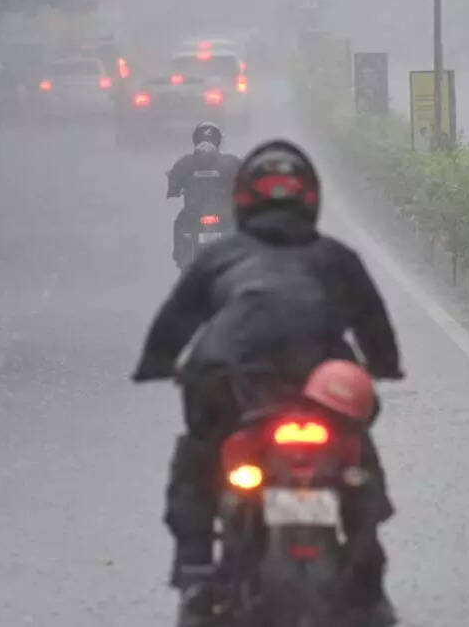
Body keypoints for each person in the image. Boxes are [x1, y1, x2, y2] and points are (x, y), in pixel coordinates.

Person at [133, 140, 404, 626]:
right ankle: (369, 582)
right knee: (357, 457)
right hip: (324, 388)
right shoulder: (338, 258)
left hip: (232, 386)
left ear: (242, 200)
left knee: (198, 460)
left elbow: (175, 322)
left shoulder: (220, 258)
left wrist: (156, 363)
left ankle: (196, 569)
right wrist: (384, 366)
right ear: (312, 199)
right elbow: (375, 328)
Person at [167, 122, 241, 269]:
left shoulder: (184, 162)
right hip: (224, 216)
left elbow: (173, 187)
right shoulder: (232, 162)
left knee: (180, 223)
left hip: (194, 215)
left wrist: (174, 190)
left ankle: (181, 256)